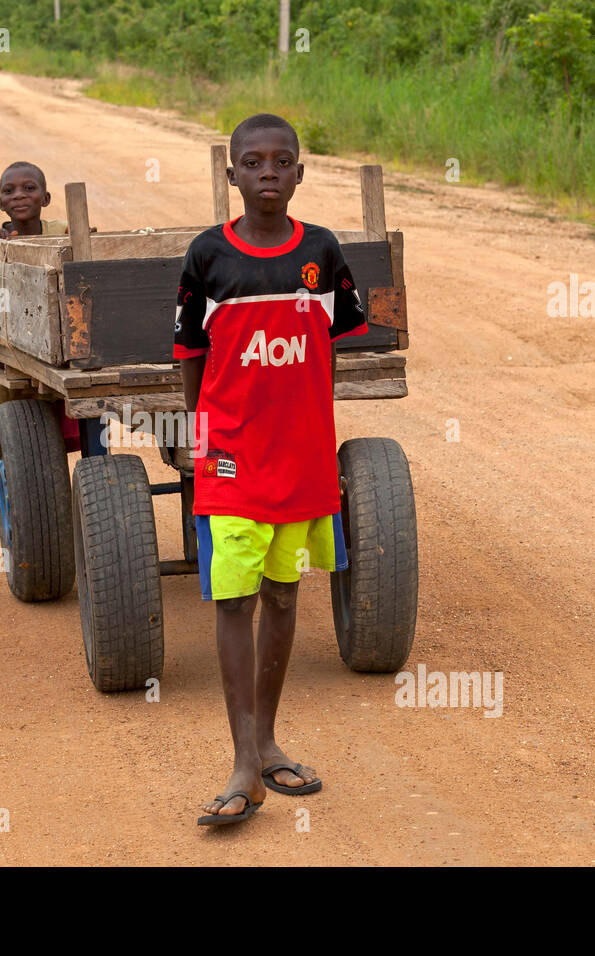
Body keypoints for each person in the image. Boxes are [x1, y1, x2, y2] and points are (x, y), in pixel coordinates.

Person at [174, 113, 369, 826]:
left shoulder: (322, 251)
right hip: (231, 457)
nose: (266, 172)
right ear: (232, 176)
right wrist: (204, 441)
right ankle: (242, 764)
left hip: (303, 458)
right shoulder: (206, 256)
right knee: (235, 600)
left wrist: (308, 419)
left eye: (280, 161)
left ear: (298, 174)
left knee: (284, 597)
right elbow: (191, 357)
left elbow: (333, 347)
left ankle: (267, 738)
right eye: (251, 162)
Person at [0, 162, 68, 238]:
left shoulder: (63, 231)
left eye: (29, 188)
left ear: (45, 198)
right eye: (8, 191)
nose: (18, 195)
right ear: (1, 203)